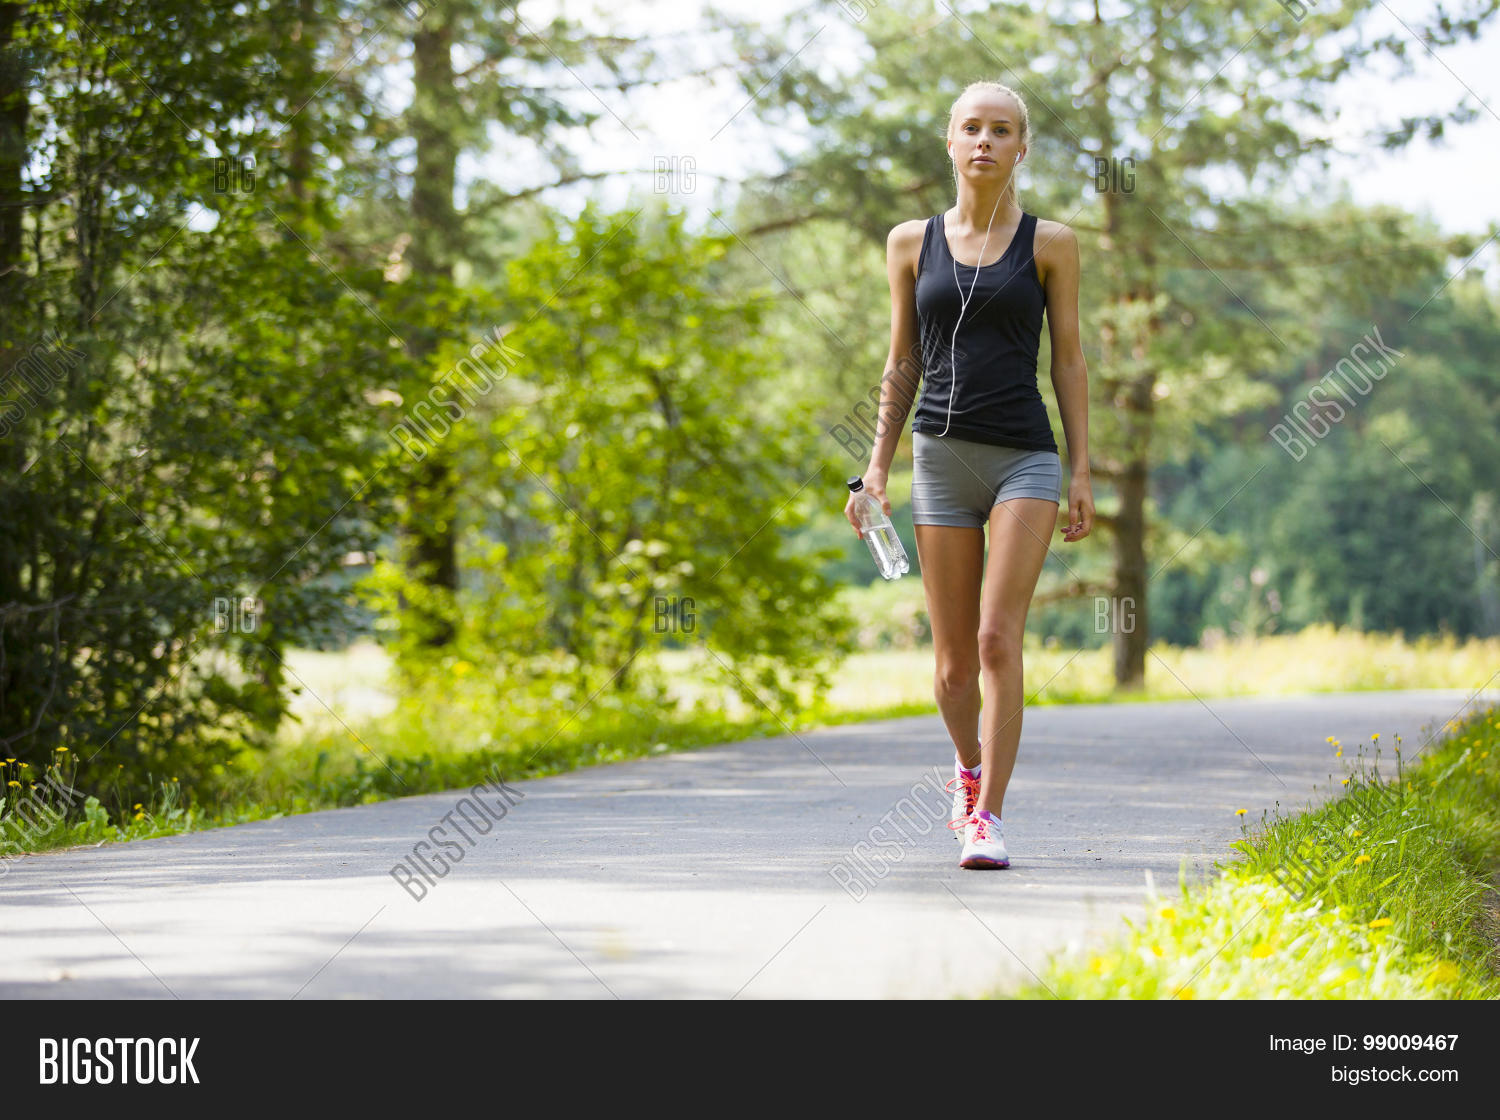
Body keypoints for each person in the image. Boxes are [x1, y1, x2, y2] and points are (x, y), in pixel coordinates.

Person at [844, 80, 1094, 869]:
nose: (985, 141)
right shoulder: (909, 242)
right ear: (950, 143)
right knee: (952, 667)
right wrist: (876, 469)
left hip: (1026, 454)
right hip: (941, 458)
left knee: (995, 638)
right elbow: (901, 360)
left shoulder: (1051, 244)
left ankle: (987, 818)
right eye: (971, 128)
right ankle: (968, 766)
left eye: (1002, 130)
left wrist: (1082, 469)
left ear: (1022, 149)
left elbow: (1070, 360)